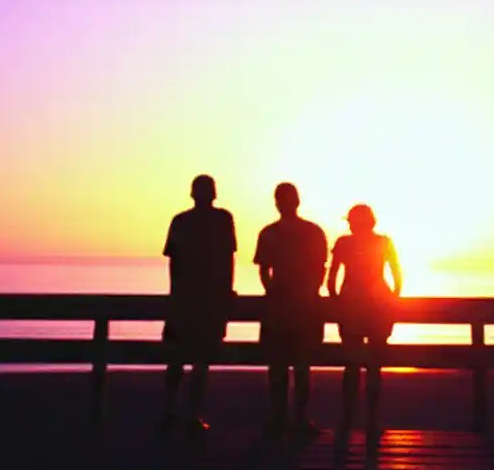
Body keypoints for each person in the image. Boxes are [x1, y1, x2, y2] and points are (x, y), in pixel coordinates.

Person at [159, 174, 236, 435]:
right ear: (213, 194)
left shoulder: (181, 221)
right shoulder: (223, 220)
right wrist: (226, 291)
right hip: (208, 303)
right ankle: (190, 414)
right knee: (200, 361)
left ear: (192, 194)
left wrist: (175, 294)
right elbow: (228, 260)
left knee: (177, 358)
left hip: (184, 300)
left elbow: (174, 262)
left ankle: (172, 411)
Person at [253, 182, 328, 436]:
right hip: (302, 307)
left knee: (280, 367)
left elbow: (264, 271)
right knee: (300, 366)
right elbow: (320, 269)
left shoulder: (269, 233)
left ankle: (281, 418)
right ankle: (297, 418)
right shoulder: (313, 232)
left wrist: (273, 291)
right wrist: (310, 291)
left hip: (283, 307)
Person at [327, 204, 402, 434]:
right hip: (379, 304)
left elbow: (331, 277)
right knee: (374, 366)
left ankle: (349, 418)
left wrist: (336, 301)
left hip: (350, 304)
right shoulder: (384, 242)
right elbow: (397, 274)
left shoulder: (343, 243)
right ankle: (371, 418)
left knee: (351, 366)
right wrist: (393, 299)